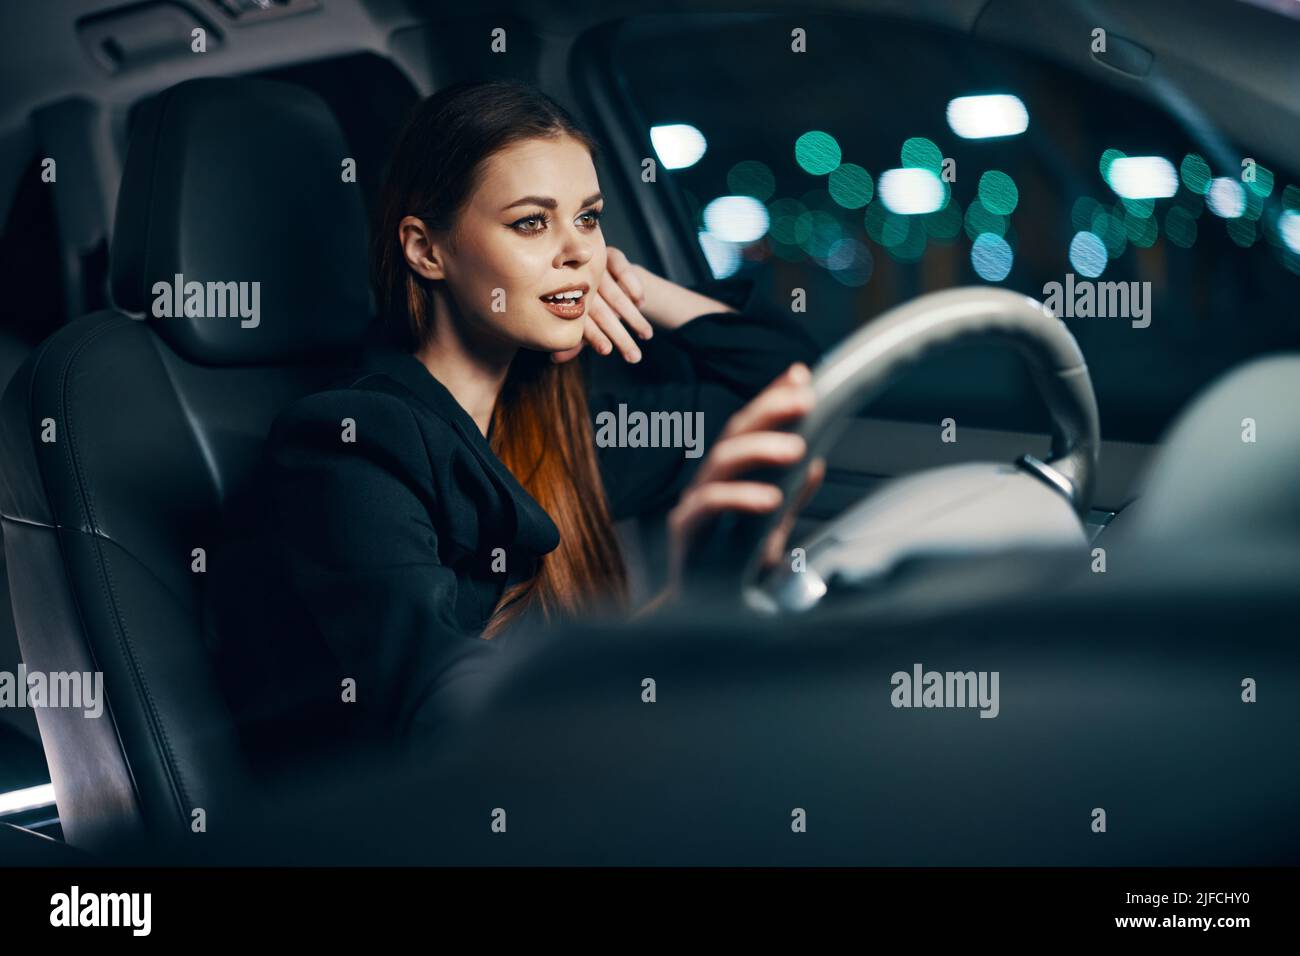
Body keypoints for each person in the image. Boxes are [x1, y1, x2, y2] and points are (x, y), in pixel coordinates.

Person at [203, 78, 823, 769]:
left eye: (588, 218)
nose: (579, 251)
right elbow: (448, 715)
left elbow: (786, 388)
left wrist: (645, 288)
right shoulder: (345, 449)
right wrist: (690, 604)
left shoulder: (560, 423)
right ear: (425, 250)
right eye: (532, 223)